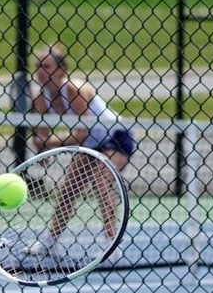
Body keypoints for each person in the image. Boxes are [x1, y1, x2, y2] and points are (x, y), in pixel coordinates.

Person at [22, 42, 134, 260]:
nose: (41, 71)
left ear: (61, 69)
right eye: (38, 67)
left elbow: (82, 133)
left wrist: (50, 143)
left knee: (102, 180)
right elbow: (43, 138)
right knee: (68, 189)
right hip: (91, 144)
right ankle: (50, 243)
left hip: (116, 136)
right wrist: (41, 146)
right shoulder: (40, 100)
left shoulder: (74, 89)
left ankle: (112, 246)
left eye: (47, 66)